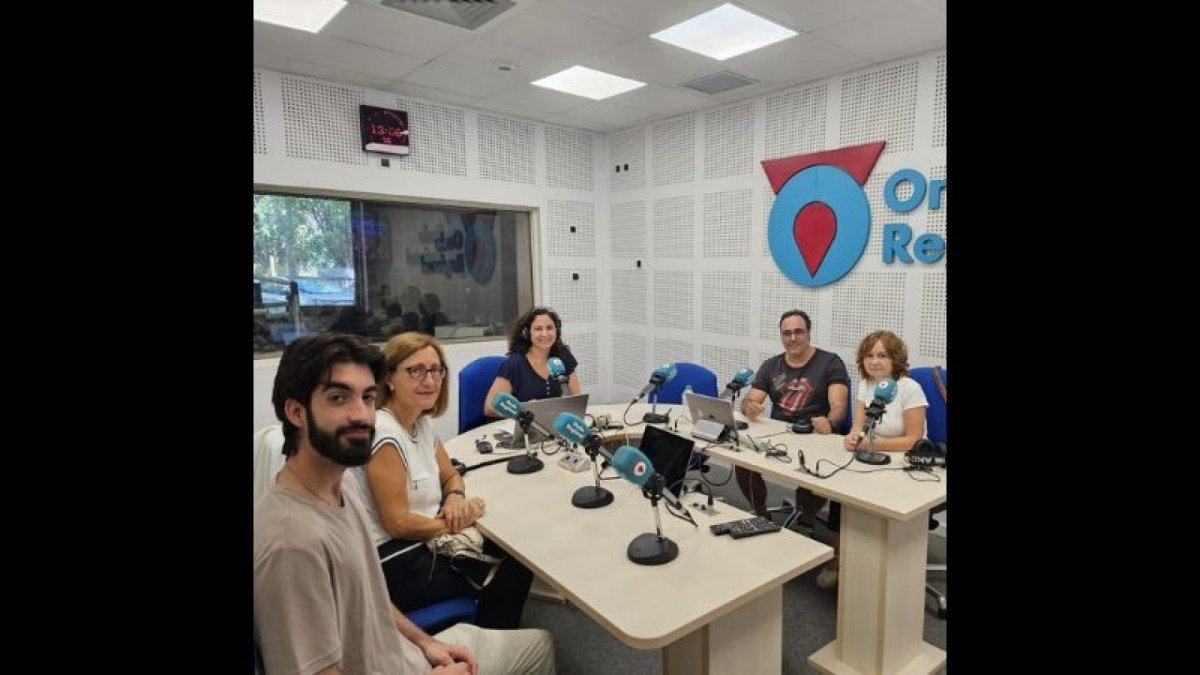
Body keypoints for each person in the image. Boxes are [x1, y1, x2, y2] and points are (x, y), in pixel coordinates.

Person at [254, 333, 554, 674]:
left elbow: (372, 596)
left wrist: (426, 643)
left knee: (537, 637)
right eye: (338, 398)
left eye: (367, 397)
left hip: (406, 652)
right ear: (296, 412)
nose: (362, 415)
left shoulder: (340, 490)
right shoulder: (291, 543)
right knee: (534, 640)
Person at [345, 331, 536, 631]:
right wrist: (456, 522)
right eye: (416, 370)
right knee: (512, 570)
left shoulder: (419, 421)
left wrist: (455, 499)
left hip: (427, 539)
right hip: (392, 560)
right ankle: (488, 646)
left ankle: (487, 633)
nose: (430, 380)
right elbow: (397, 523)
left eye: (436, 370)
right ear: (389, 377)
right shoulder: (384, 432)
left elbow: (450, 474)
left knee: (516, 548)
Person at [815, 329, 928, 589]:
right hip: (872, 456)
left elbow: (914, 439)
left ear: (895, 359)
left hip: (904, 461)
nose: (874, 361)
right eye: (869, 355)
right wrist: (853, 438)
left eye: (882, 355)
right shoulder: (867, 385)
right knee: (841, 485)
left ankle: (847, 560)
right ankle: (844, 550)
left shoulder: (910, 387)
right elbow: (858, 426)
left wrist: (874, 444)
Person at [738, 310, 850, 522]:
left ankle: (805, 518)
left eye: (798, 332)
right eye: (786, 333)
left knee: (819, 468)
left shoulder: (830, 363)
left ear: (808, 333)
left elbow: (839, 406)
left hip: (814, 435)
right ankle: (760, 514)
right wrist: (749, 406)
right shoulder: (771, 366)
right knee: (741, 459)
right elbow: (750, 400)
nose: (792, 338)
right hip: (778, 433)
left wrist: (830, 421)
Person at [483, 307, 581, 418]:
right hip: (523, 425)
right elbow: (490, 407)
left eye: (549, 328)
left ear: (556, 331)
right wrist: (521, 411)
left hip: (553, 424)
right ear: (527, 333)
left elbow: (576, 399)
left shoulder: (563, 356)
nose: (545, 334)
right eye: (538, 329)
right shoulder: (515, 363)